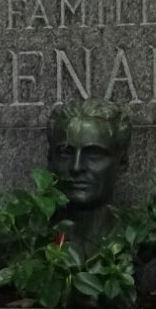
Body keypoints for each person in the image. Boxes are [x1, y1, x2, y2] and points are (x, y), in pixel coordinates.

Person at [45, 99, 130, 249]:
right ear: (51, 159)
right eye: (66, 154)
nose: (76, 167)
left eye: (94, 155)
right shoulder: (29, 238)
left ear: (122, 163)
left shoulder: (137, 240)